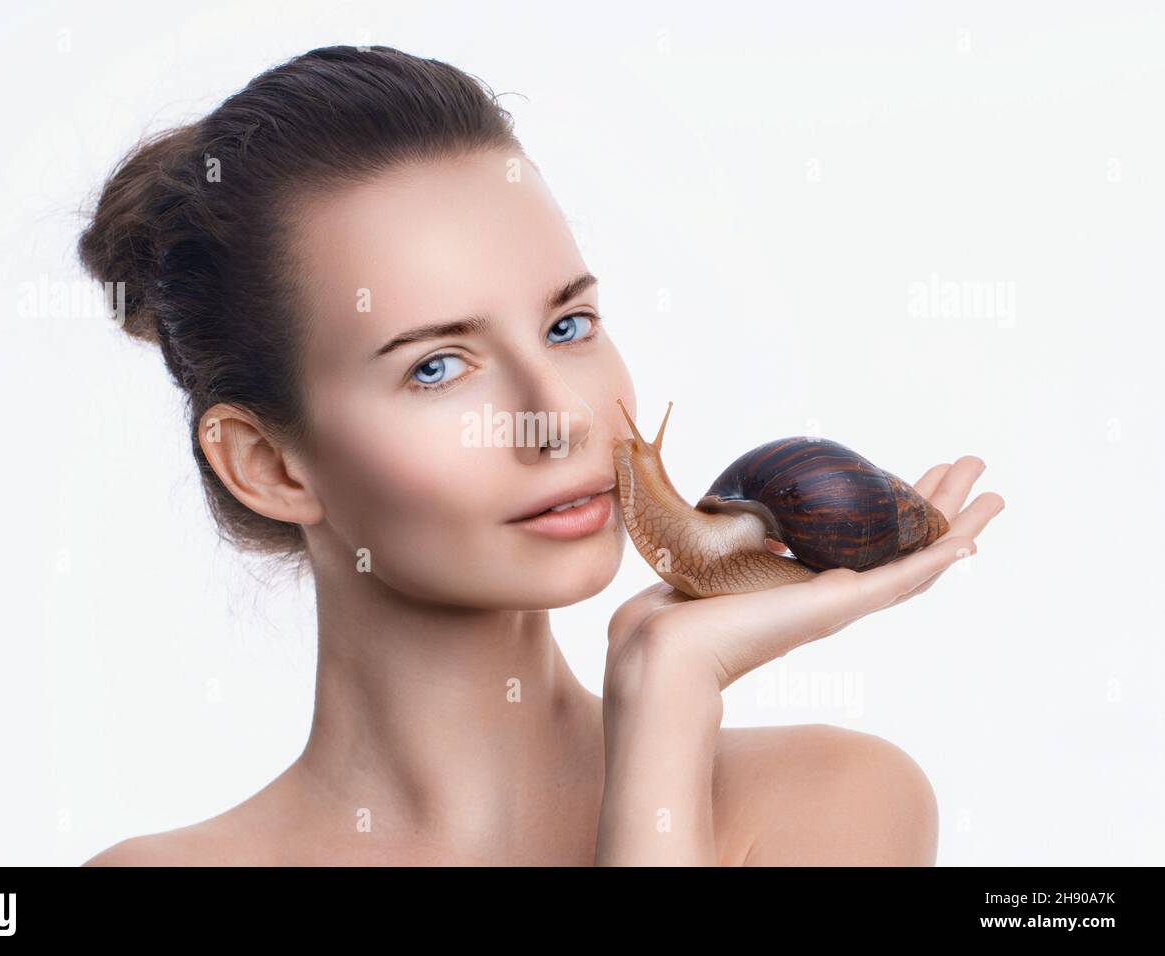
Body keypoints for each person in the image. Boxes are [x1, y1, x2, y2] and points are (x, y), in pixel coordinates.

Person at [77, 45, 1003, 866]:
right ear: (269, 465)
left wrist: (666, 719)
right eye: (437, 366)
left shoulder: (829, 803)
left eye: (569, 325)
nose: (558, 420)